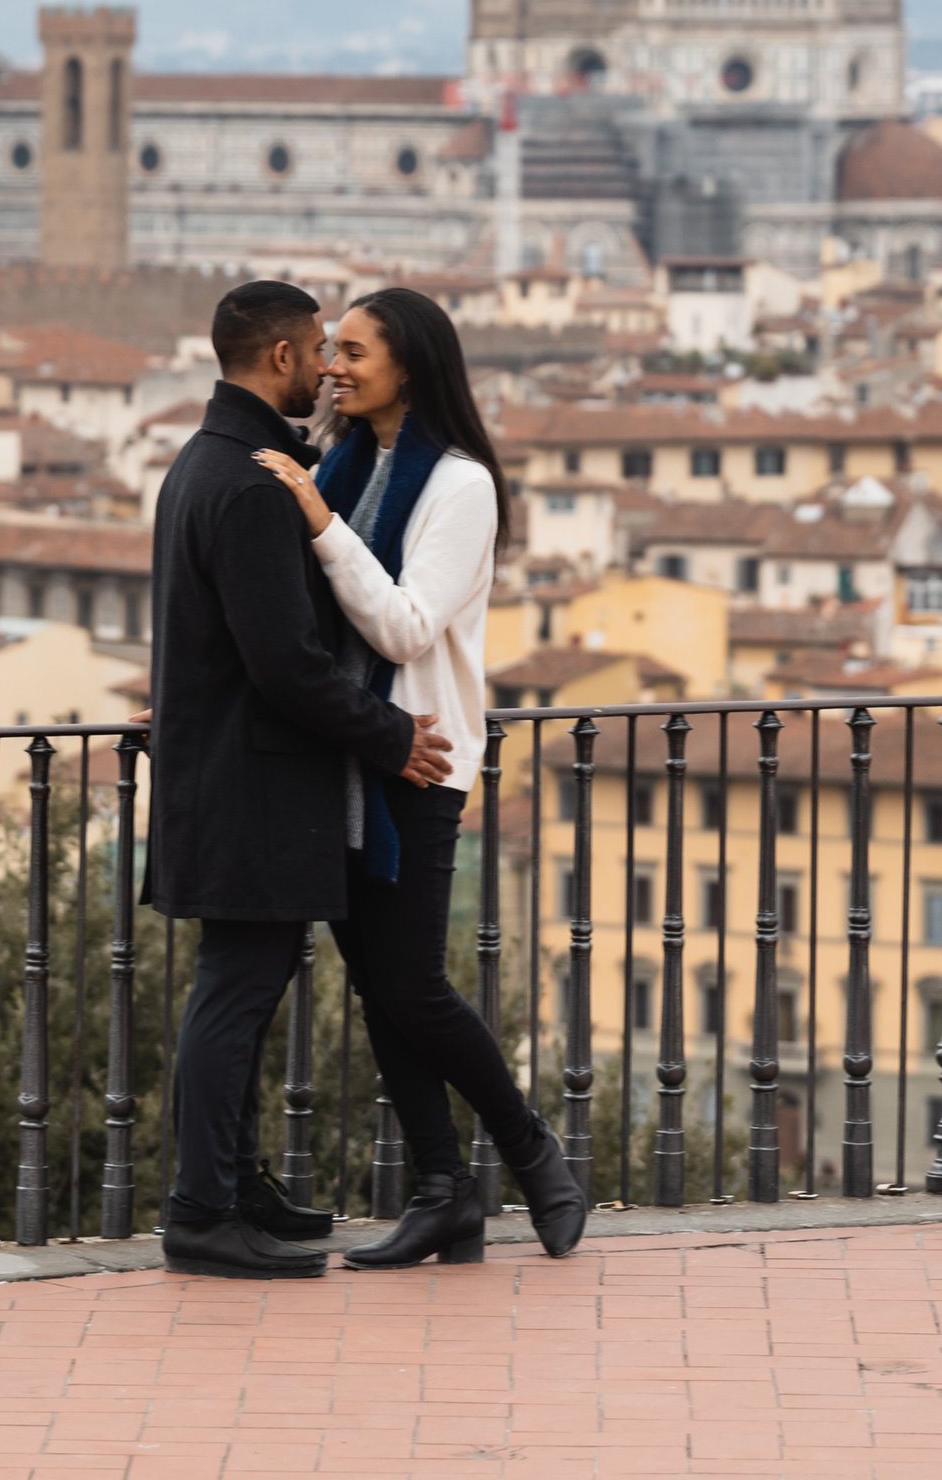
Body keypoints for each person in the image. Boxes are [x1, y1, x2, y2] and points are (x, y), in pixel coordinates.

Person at [254, 285, 587, 1268]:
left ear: (411, 365)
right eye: (331, 352)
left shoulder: (459, 486)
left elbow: (402, 624)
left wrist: (317, 518)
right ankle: (445, 1192)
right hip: (352, 748)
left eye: (353, 351)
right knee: (377, 985)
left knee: (410, 982)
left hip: (420, 759)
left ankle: (531, 1151)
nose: (332, 367)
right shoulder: (353, 461)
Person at [146, 277, 454, 1280]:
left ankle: (234, 1187)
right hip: (255, 784)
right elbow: (285, 662)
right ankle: (203, 1209)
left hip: (228, 778)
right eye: (319, 347)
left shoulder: (210, 463)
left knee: (240, 987)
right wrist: (389, 736)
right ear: (280, 357)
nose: (327, 365)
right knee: (234, 995)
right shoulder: (250, 483)